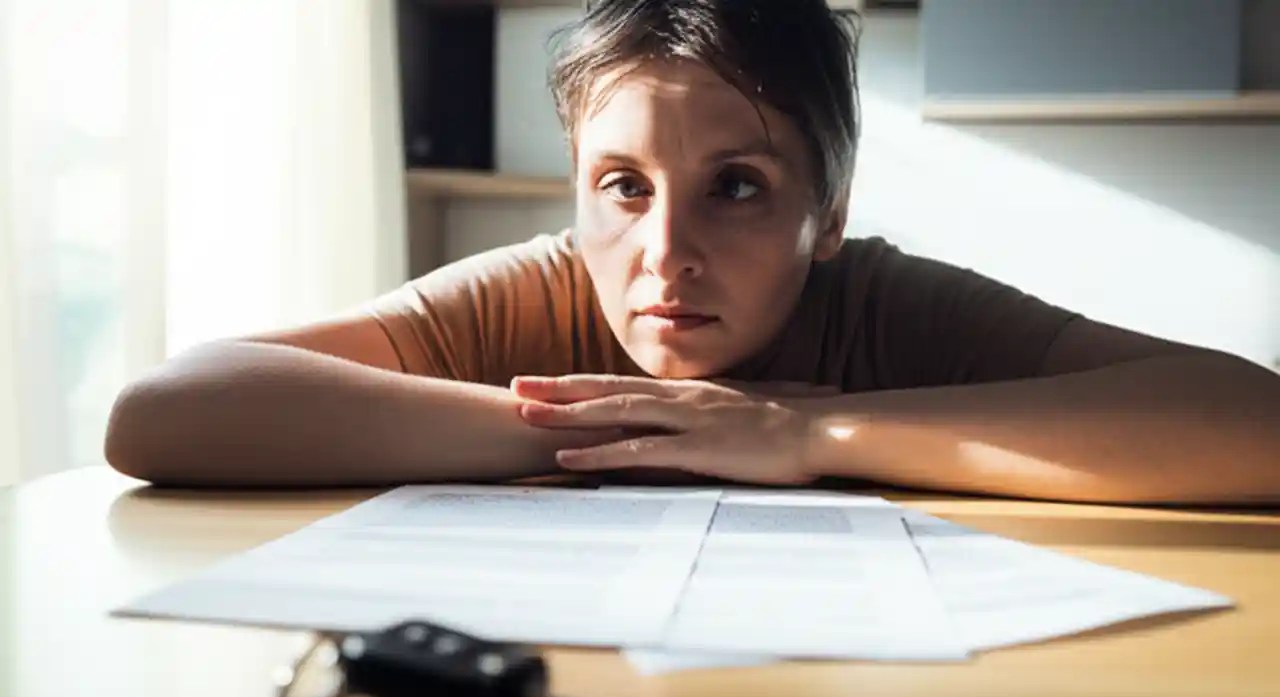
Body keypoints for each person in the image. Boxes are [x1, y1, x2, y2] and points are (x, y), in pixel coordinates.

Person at [105, 0, 1279, 504]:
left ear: (826, 213)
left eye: (736, 188)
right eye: (621, 187)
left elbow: (1250, 425)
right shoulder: (542, 290)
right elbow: (164, 409)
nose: (663, 253)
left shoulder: (884, 306)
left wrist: (798, 432)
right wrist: (618, 432)